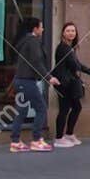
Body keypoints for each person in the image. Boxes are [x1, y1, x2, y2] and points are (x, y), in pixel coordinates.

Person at [51, 21, 90, 148]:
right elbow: (76, 65)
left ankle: (69, 134)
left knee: (76, 107)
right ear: (63, 33)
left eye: (73, 31)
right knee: (64, 109)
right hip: (63, 83)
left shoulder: (69, 47)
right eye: (68, 31)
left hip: (69, 82)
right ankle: (59, 138)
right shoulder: (64, 48)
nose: (71, 33)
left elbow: (76, 64)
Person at [11, 16, 57, 152]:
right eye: (41, 27)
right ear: (35, 28)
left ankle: (15, 141)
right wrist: (49, 78)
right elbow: (37, 62)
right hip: (27, 81)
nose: (42, 29)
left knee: (21, 111)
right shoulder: (33, 42)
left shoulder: (24, 41)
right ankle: (36, 140)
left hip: (20, 80)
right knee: (41, 108)